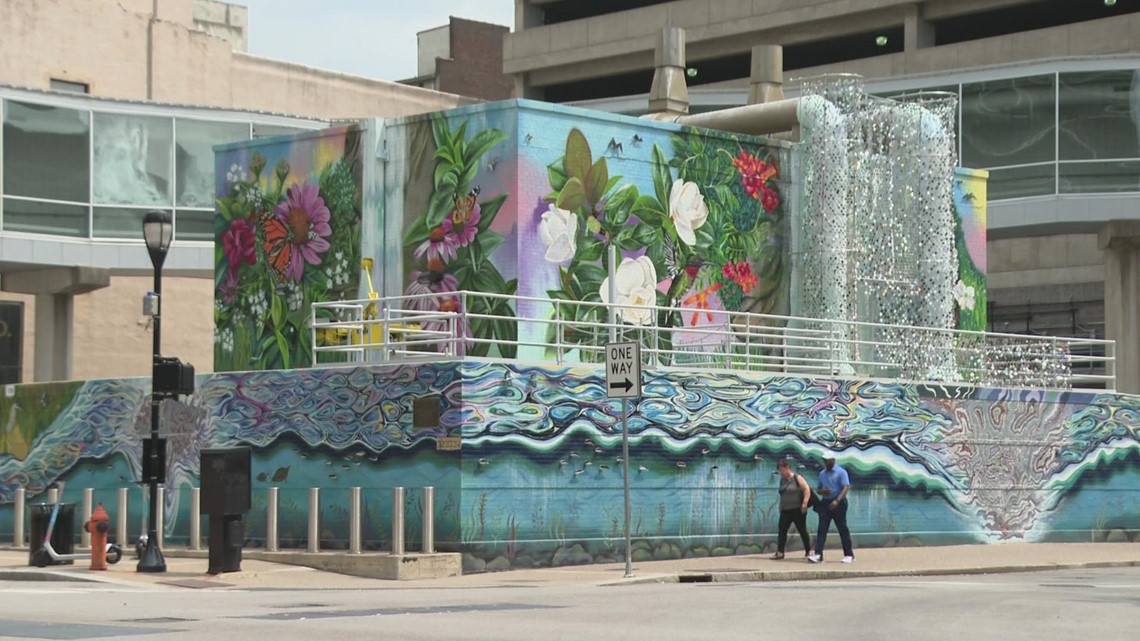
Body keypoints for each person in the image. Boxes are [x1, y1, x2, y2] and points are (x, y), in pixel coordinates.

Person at [808, 454, 854, 563]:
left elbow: (845, 487)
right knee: (822, 529)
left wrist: (837, 500)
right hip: (825, 502)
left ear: (833, 460)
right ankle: (818, 554)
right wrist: (822, 491)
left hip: (839, 502)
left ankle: (849, 555)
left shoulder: (841, 472)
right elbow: (818, 489)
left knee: (842, 528)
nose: (825, 462)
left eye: (827, 460)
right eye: (824, 460)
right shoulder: (822, 473)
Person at [771, 459, 812, 560]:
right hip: (786, 510)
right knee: (782, 530)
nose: (781, 473)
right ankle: (780, 552)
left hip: (798, 509)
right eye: (779, 470)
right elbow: (782, 493)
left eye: (782, 470)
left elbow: (807, 489)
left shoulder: (797, 478)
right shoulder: (782, 480)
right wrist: (781, 505)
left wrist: (805, 503)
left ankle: (808, 551)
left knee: (802, 530)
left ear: (787, 468)